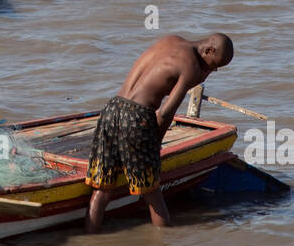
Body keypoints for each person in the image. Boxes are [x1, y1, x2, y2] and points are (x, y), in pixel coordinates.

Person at [84, 33, 233, 233]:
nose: (213, 70)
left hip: (112, 109)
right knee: (153, 192)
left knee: (101, 189)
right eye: (215, 65)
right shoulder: (190, 67)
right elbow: (165, 113)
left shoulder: (170, 40)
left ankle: (90, 245)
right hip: (137, 117)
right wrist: (155, 144)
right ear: (209, 50)